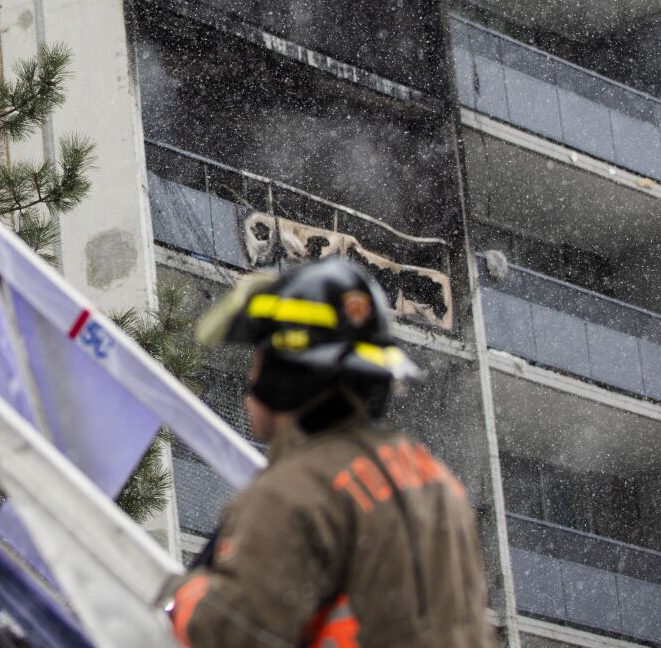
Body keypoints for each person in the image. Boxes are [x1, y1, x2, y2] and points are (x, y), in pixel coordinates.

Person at [168, 258, 493, 648]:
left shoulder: (294, 492)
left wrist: (190, 595)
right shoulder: (435, 481)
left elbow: (236, 633)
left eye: (258, 361)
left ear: (283, 375)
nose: (251, 378)